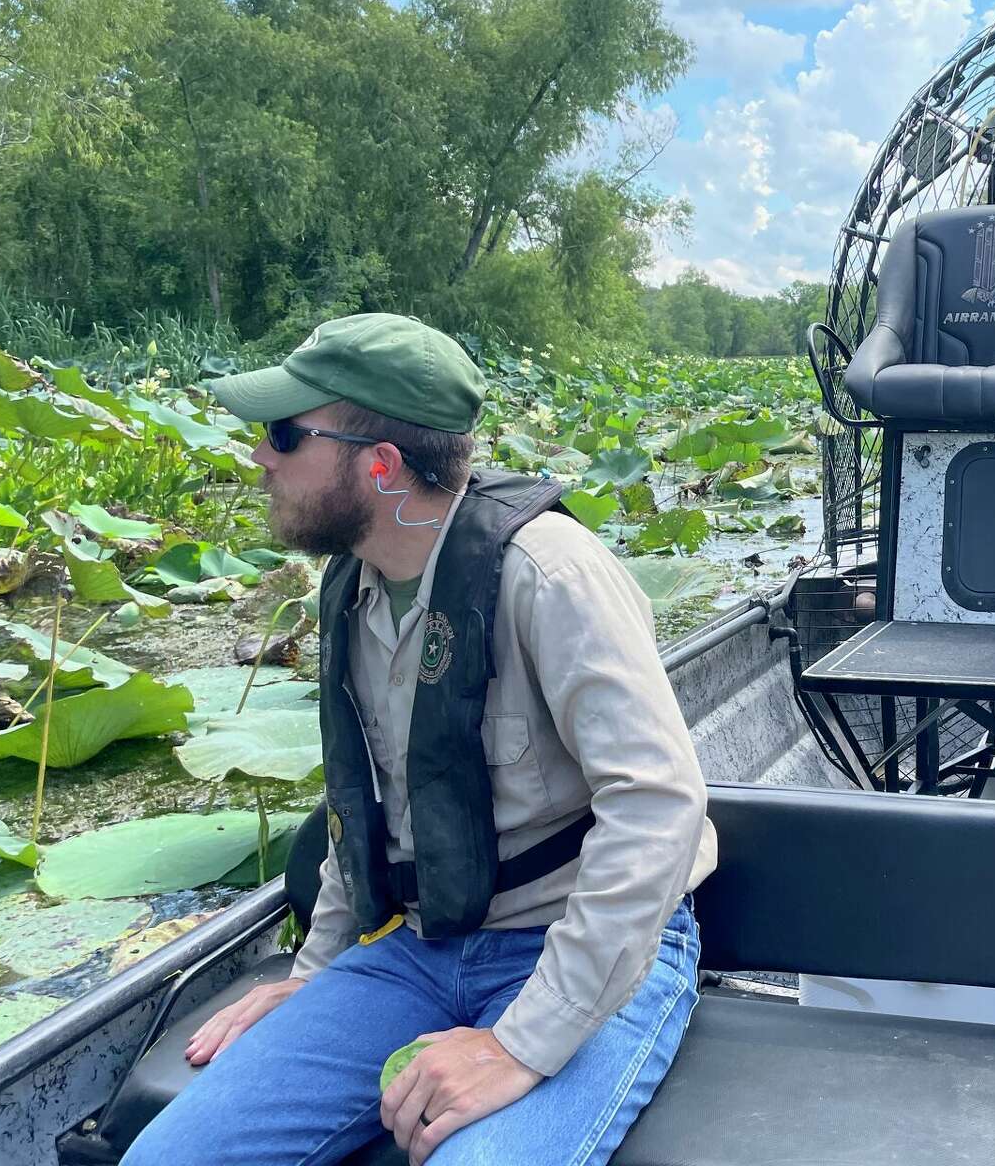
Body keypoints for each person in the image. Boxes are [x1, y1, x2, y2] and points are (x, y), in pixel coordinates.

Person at [123, 313, 715, 1166]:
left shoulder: (551, 575)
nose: (260, 456)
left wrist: (521, 1043)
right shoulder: (355, 587)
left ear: (380, 465)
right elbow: (360, 812)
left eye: (285, 434)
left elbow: (658, 808)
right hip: (415, 948)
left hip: (584, 945)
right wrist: (314, 974)